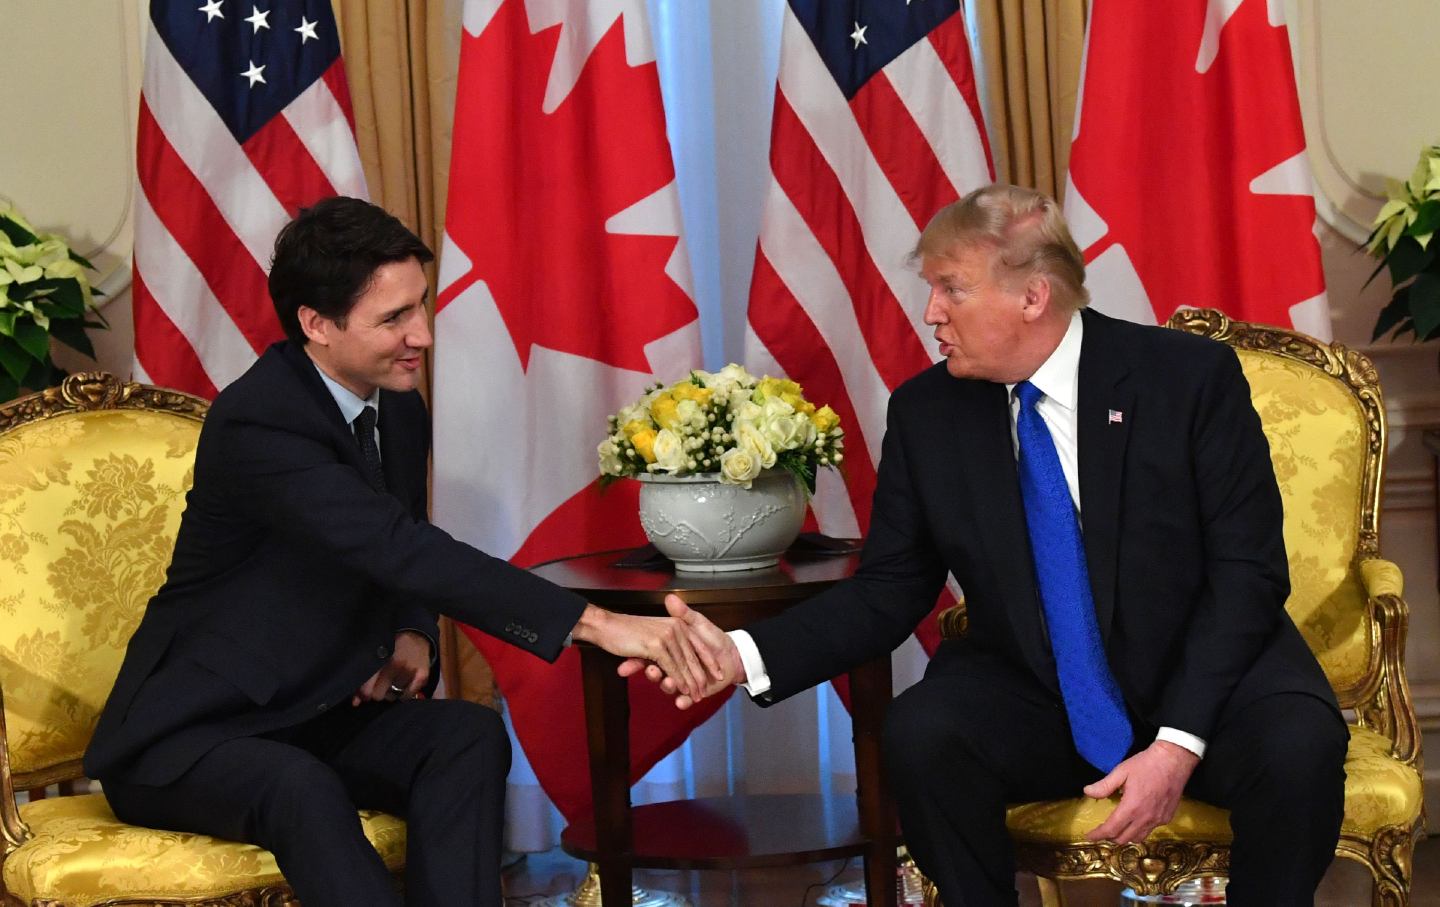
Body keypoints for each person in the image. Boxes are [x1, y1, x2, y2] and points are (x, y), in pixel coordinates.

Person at [632, 184, 1348, 905]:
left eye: (952, 289)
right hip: (1040, 690)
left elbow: (1247, 574)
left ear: (1033, 297)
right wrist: (741, 654)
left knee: (1299, 747)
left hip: (1207, 676)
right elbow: (889, 589)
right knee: (923, 733)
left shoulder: (1186, 379)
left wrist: (1176, 743)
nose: (931, 312)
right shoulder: (928, 413)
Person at [85, 197, 717, 907]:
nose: (422, 334)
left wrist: (413, 627)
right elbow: (398, 546)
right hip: (188, 733)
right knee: (301, 788)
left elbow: (398, 537)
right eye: (394, 319)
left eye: (420, 305)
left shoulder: (396, 403)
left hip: (308, 710)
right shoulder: (260, 421)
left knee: (466, 738)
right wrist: (597, 623)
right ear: (317, 326)